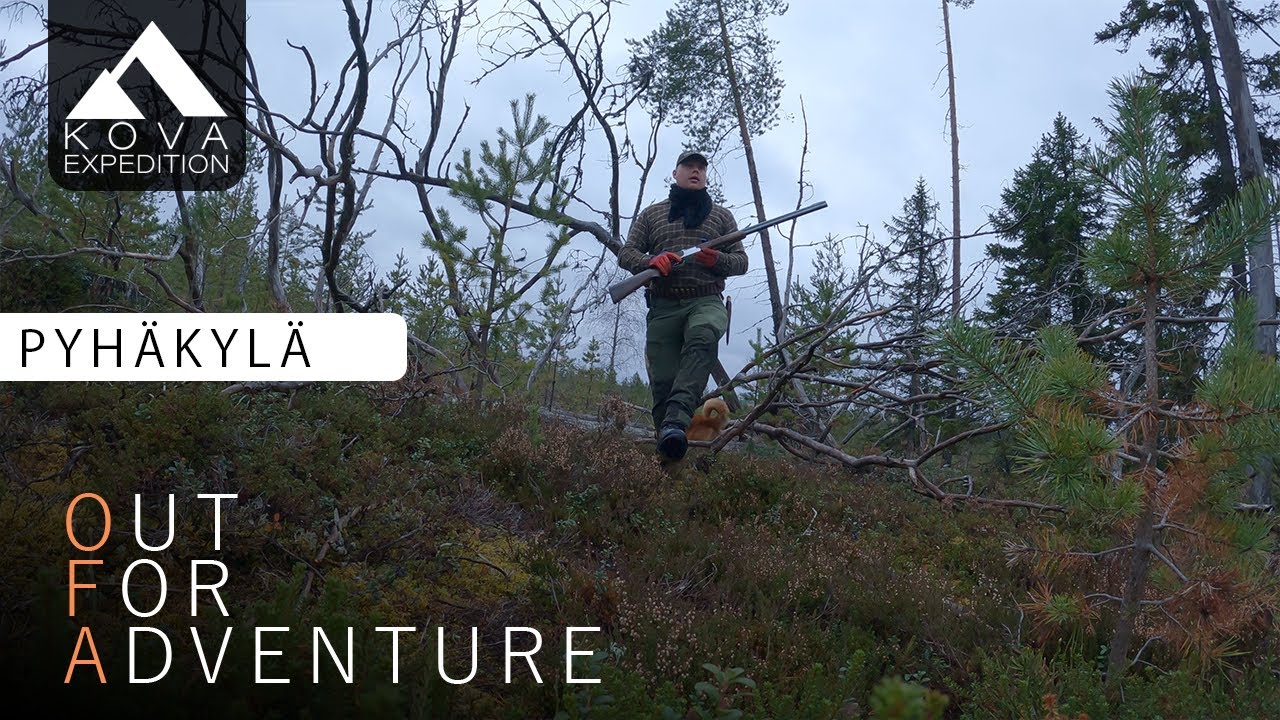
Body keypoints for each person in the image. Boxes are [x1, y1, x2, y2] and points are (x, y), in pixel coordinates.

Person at [617, 150, 748, 461]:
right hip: (663, 306)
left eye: (701, 168)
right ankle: (670, 448)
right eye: (689, 166)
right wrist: (651, 261)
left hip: (706, 300)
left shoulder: (722, 216)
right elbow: (627, 253)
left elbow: (741, 262)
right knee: (662, 381)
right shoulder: (652, 215)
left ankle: (677, 418)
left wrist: (717, 259)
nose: (696, 171)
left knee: (703, 335)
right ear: (675, 174)